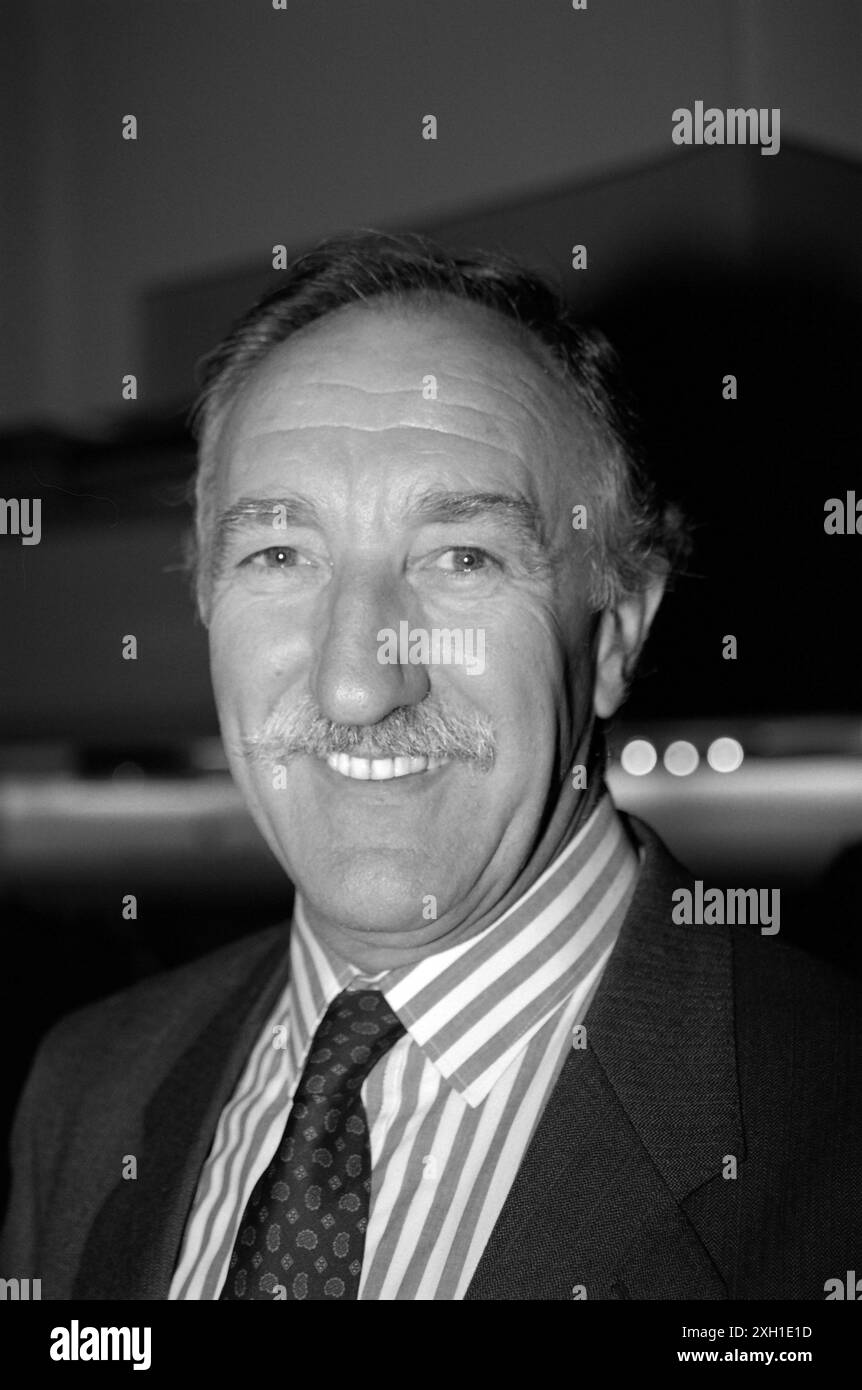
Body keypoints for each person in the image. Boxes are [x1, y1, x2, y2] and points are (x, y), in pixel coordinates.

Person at [1, 232, 859, 1301]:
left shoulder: (828, 1124)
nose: (358, 684)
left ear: (615, 633)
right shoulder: (85, 1085)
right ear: (206, 598)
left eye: (463, 557)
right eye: (279, 554)